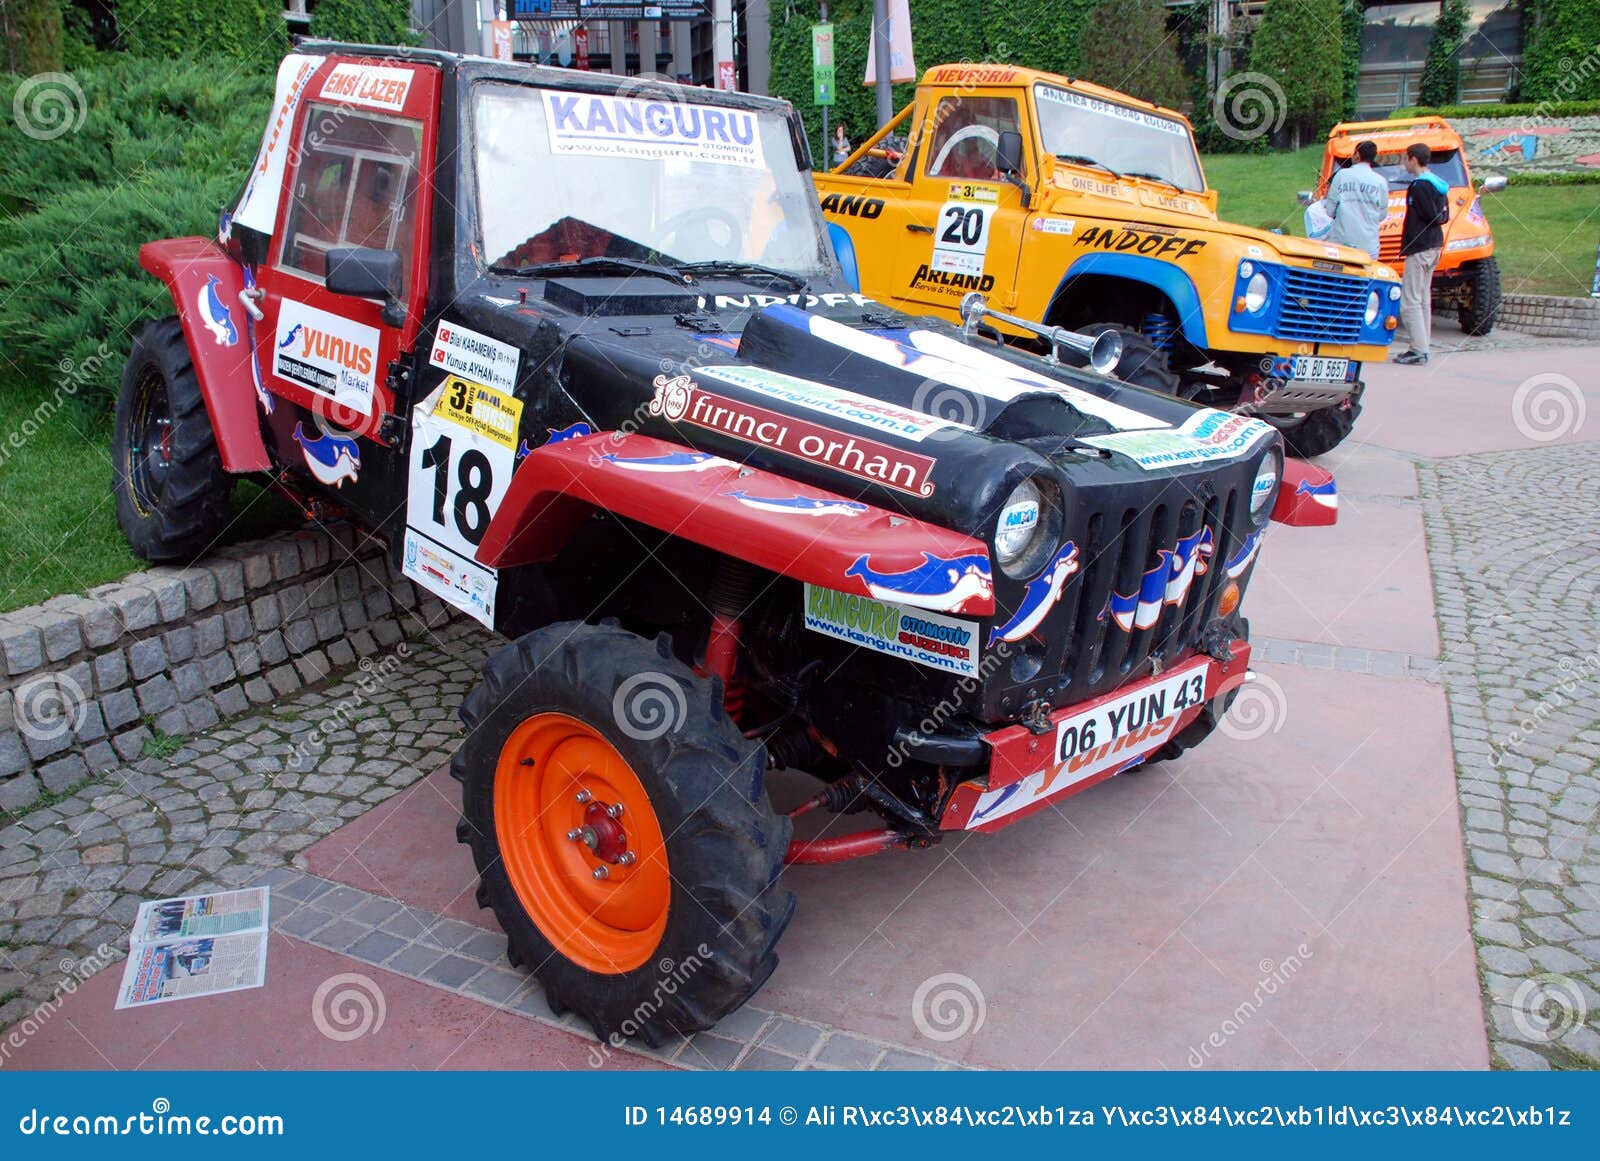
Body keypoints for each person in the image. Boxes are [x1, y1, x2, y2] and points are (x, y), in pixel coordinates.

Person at [1394, 142, 1450, 366]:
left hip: (1420, 247)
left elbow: (1431, 216)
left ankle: (1418, 349)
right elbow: (1443, 216)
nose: (1404, 163)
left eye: (1405, 159)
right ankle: (1422, 345)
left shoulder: (1419, 186)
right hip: (1434, 246)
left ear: (1413, 159)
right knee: (1423, 299)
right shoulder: (1439, 184)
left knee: (1410, 301)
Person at [1319, 139, 1388, 257]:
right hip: (1369, 245)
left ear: (1357, 155)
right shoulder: (1381, 181)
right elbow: (1382, 215)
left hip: (1341, 243)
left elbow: (1330, 210)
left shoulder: (1341, 175)